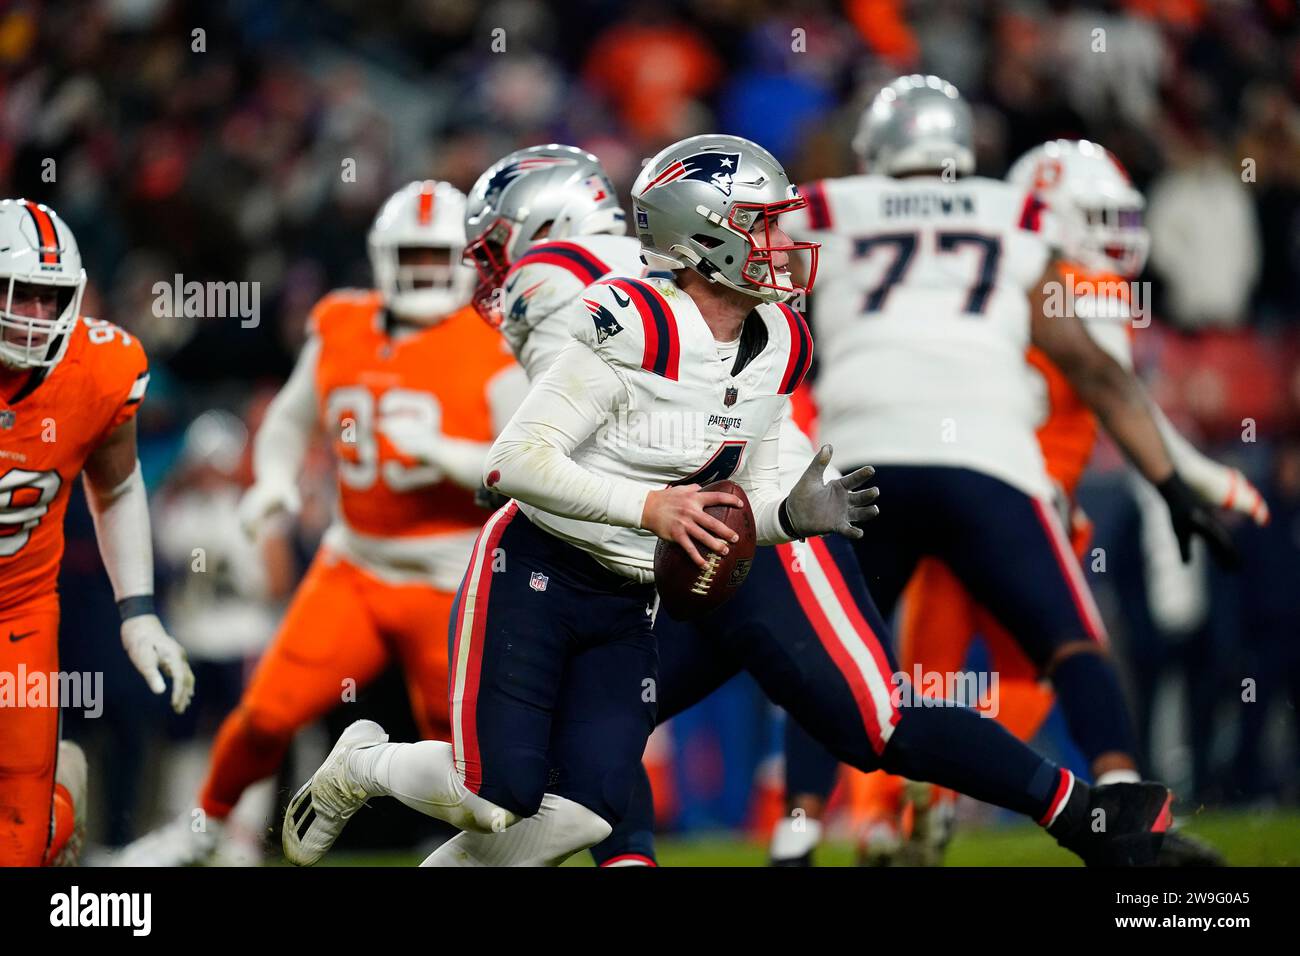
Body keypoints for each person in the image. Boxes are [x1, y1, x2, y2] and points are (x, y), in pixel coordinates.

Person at [283, 136, 1181, 868]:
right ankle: (1075, 815)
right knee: (550, 782)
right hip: (654, 547)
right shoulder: (630, 294)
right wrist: (660, 509)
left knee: (857, 721)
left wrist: (773, 513)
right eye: (761, 224)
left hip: (735, 529)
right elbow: (540, 454)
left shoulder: (572, 281)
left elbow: (721, 438)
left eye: (491, 248)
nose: (487, 277)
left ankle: (1077, 819)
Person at [776, 75, 1238, 865]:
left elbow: (751, 304)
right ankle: (1125, 813)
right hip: (987, 456)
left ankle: (798, 837)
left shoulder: (825, 208)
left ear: (877, 152)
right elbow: (1092, 367)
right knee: (1072, 642)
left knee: (830, 659)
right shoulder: (1012, 212)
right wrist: (1169, 482)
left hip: (860, 461)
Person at [117, 181, 522, 865]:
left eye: (436, 257)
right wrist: (273, 478)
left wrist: (443, 453)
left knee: (472, 769)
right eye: (411, 256)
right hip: (356, 563)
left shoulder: (493, 342)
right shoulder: (343, 323)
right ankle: (202, 832)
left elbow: (524, 463)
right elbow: (289, 417)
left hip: (452, 574)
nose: (424, 272)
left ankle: (428, 823)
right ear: (385, 257)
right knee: (266, 713)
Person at [0, 198, 194, 866]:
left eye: (50, 299)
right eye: (19, 296)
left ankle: (57, 798)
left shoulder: (101, 368)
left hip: (18, 611)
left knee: (21, 845)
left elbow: (115, 484)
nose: (34, 318)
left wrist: (137, 612)